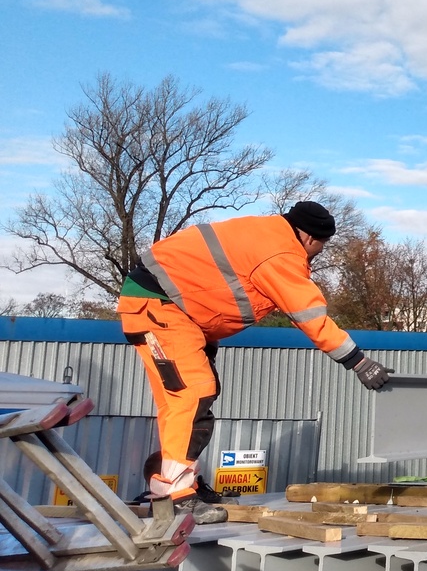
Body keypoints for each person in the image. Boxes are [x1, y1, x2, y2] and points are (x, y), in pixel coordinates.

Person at [116, 201, 390, 524]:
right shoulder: (280, 252)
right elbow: (309, 315)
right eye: (321, 246)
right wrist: (358, 361)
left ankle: (177, 486)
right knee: (193, 395)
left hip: (162, 307)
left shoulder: (265, 232)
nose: (317, 254)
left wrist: (206, 339)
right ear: (310, 238)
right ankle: (176, 496)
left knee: (182, 401)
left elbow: (208, 285)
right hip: (159, 307)